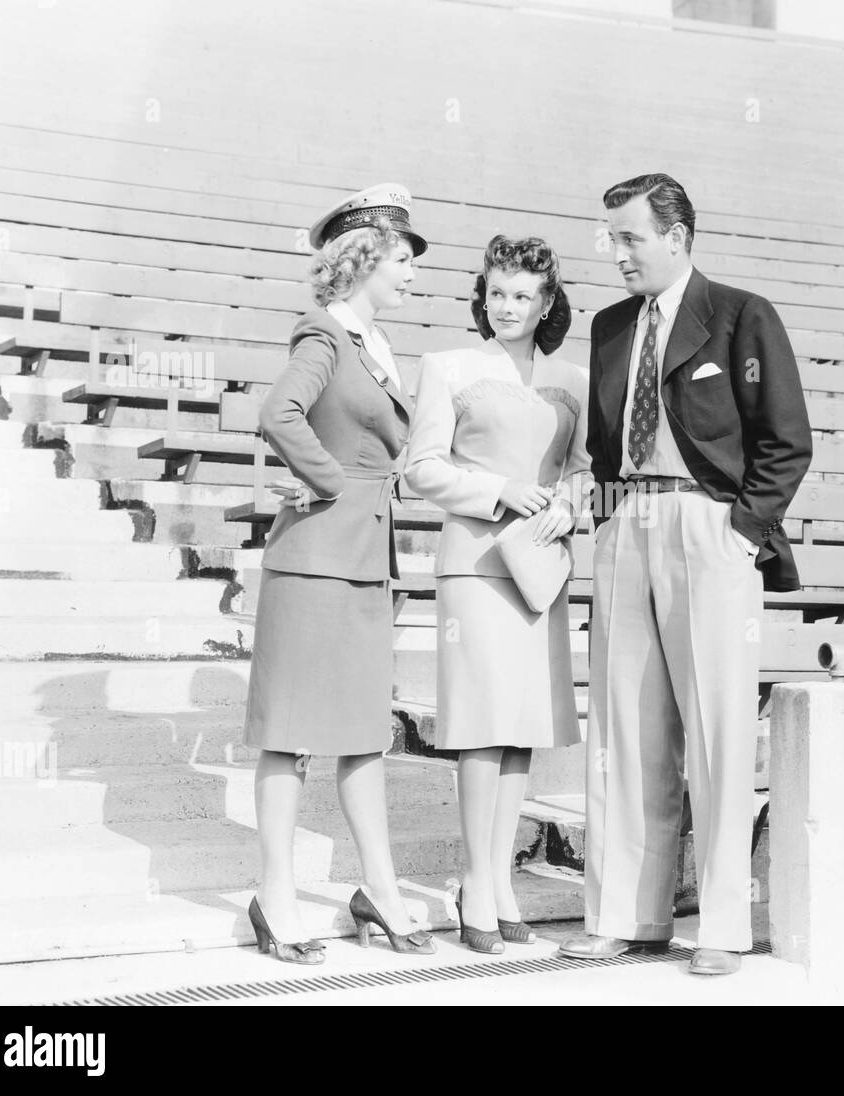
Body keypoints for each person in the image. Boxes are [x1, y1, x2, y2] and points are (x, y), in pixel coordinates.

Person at [559, 173, 812, 975]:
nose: (618, 253)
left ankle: (723, 928)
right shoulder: (607, 328)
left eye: (630, 237)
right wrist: (604, 518)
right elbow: (604, 446)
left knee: (717, 735)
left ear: (676, 236)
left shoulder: (740, 316)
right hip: (626, 525)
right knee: (627, 734)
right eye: (612, 238)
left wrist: (742, 533)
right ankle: (626, 915)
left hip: (709, 529)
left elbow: (786, 440)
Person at [242, 183, 435, 963]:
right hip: (316, 562)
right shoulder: (324, 333)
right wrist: (327, 483)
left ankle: (381, 892)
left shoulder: (374, 347)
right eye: (400, 260)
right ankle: (276, 898)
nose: (411, 276)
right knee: (290, 739)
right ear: (362, 260)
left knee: (362, 738)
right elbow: (278, 413)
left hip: (361, 568)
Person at [405, 235, 589, 954]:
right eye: (497, 291)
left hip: (537, 566)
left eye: (522, 295)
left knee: (522, 726)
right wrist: (500, 491)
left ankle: (502, 880)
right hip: (477, 563)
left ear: (547, 303)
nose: (506, 306)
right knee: (482, 723)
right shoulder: (447, 367)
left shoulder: (570, 379)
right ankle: (475, 880)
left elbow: (581, 471)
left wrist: (569, 508)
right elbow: (422, 467)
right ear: (482, 293)